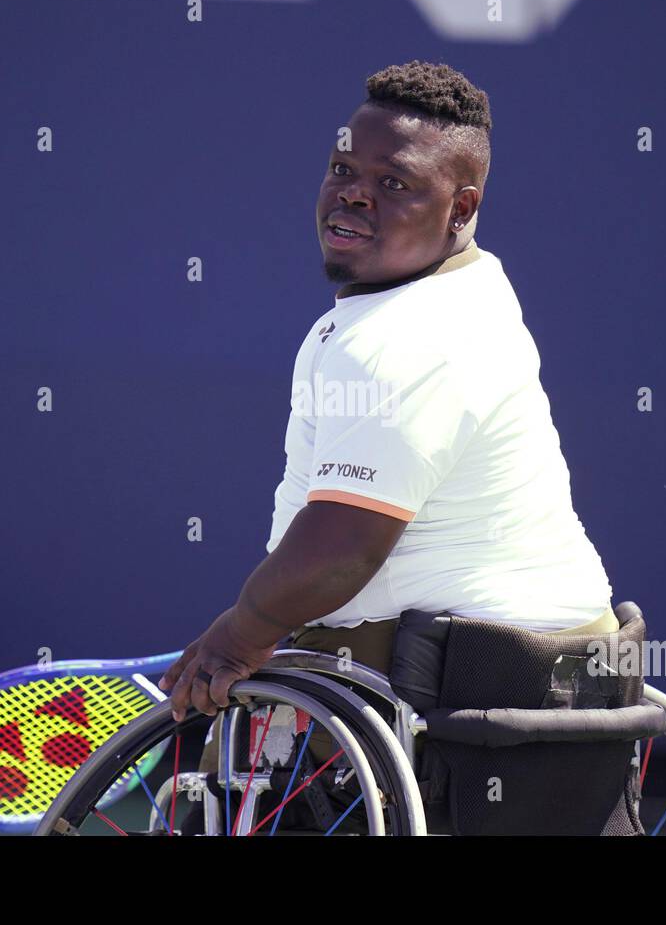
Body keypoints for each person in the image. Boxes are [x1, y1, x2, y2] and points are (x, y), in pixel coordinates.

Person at [158, 61, 616, 821]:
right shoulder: (465, 288)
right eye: (342, 169)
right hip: (550, 672)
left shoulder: (409, 339)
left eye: (394, 183)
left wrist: (238, 638)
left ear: (461, 208)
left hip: (458, 691)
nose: (353, 193)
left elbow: (341, 549)